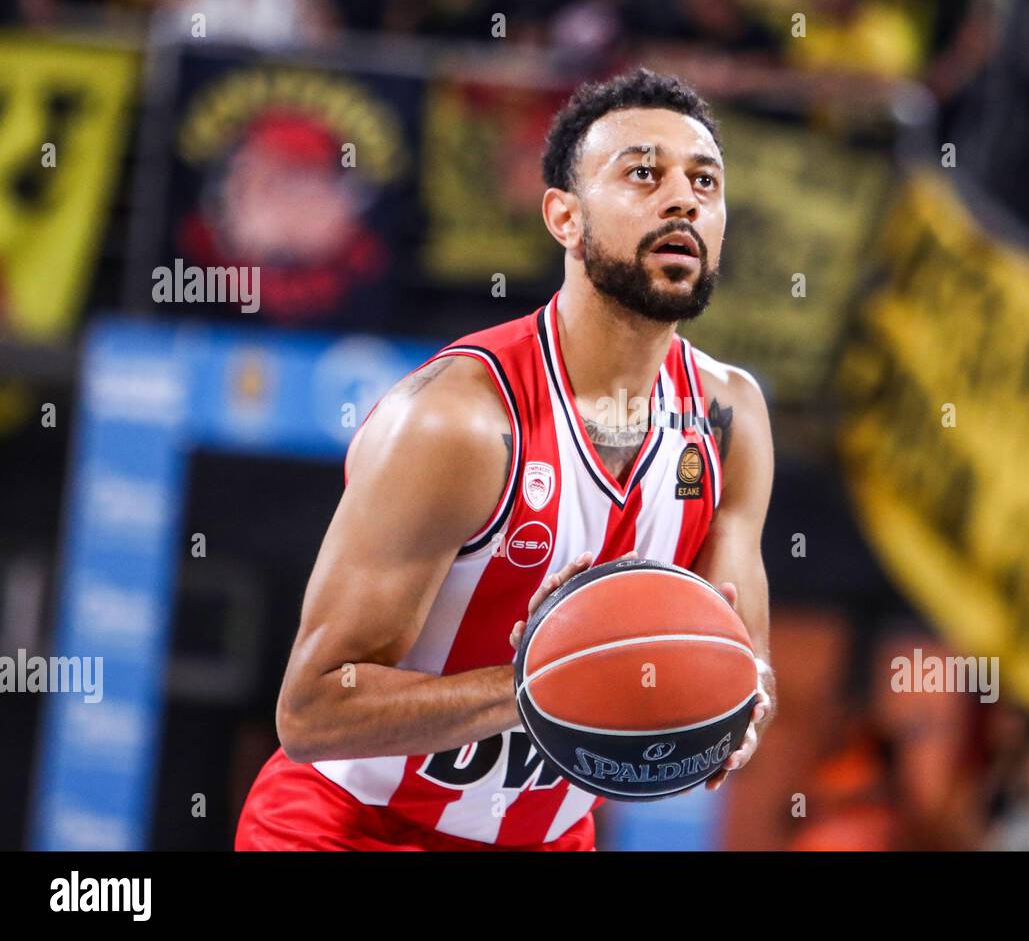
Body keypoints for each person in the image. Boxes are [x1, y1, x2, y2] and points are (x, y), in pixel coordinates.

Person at [235, 68, 776, 850]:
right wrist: (541, 686)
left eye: (705, 180)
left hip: (545, 838)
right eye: (644, 174)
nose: (684, 199)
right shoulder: (456, 421)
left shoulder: (731, 417)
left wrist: (731, 715)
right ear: (563, 215)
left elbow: (743, 657)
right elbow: (313, 711)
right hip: (353, 829)